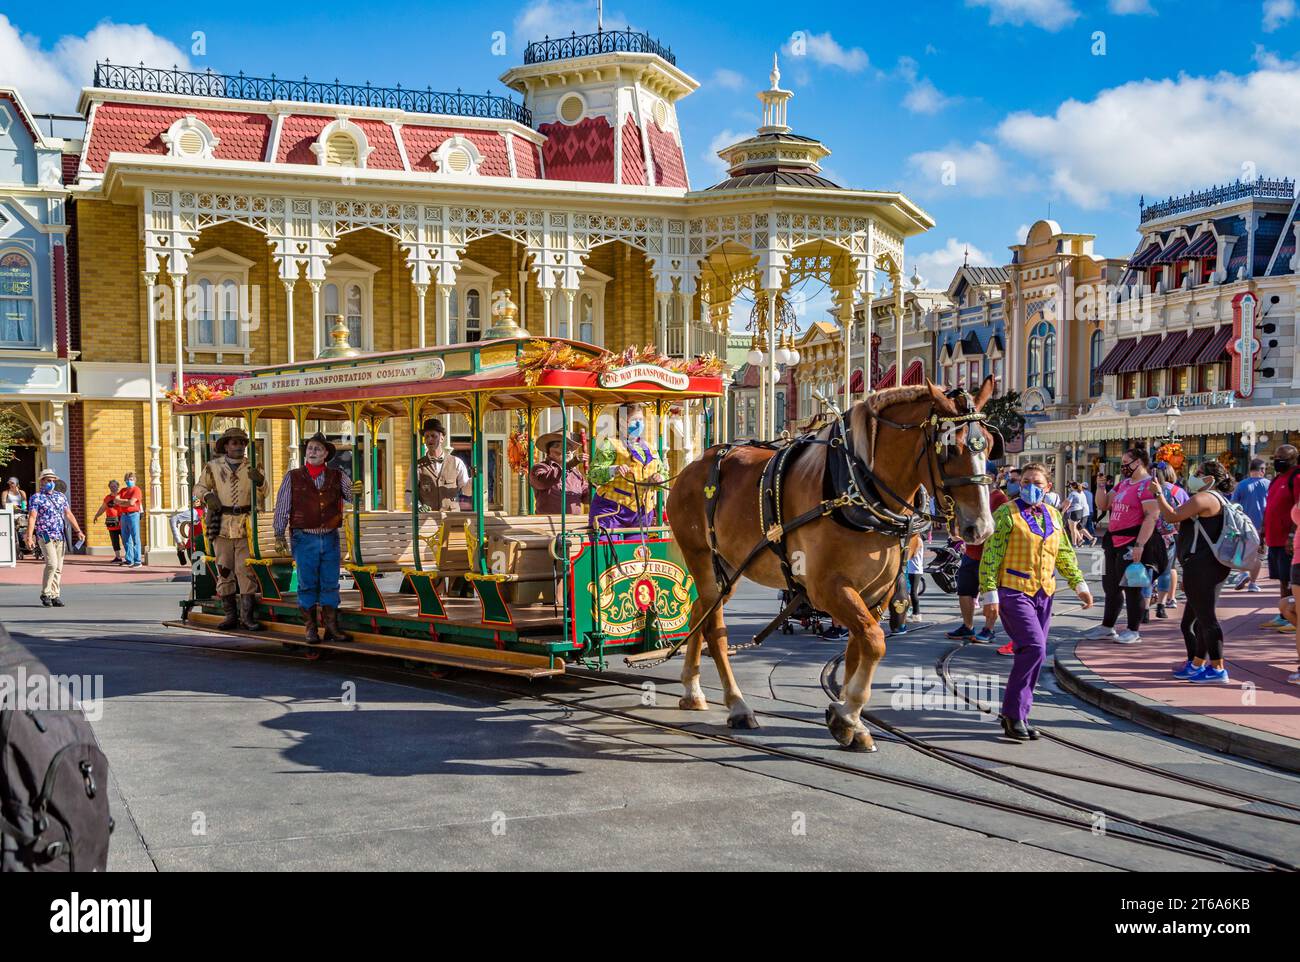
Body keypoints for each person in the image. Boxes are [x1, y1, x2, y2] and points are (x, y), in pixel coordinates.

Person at [979, 462, 1092, 740]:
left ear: (1048, 487)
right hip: (1014, 590)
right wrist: (989, 594)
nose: (1030, 486)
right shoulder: (1006, 513)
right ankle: (1013, 713)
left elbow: (1063, 552)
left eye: (1037, 483)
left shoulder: (1054, 514)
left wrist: (1079, 584)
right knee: (1034, 648)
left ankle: (1019, 715)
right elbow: (991, 555)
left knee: (1033, 655)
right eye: (1026, 481)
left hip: (1044, 592)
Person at [1153, 461, 1236, 683]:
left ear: (1209, 479)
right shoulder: (1216, 498)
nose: (1193, 477)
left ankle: (1218, 669)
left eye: (1198, 474)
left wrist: (1159, 494)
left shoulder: (1204, 498)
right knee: (1193, 621)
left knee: (1206, 620)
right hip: (1206, 566)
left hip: (1203, 568)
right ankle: (1198, 663)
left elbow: (1171, 516)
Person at [273, 433, 354, 645]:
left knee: (330, 583)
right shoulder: (292, 476)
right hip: (304, 536)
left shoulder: (338, 476)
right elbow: (283, 506)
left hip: (329, 536)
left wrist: (358, 491)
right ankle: (310, 628)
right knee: (307, 583)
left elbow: (353, 496)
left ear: (326, 453)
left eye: (318, 449)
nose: (313, 452)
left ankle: (331, 626)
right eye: (310, 448)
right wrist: (279, 534)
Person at [1089, 448, 1165, 645]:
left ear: (1138, 462)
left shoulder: (1148, 485)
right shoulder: (1123, 484)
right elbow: (1104, 504)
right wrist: (1100, 485)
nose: (1123, 466)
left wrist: (1140, 545)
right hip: (1113, 541)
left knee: (1132, 586)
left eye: (1126, 461)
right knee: (1111, 585)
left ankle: (1133, 630)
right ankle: (1108, 626)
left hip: (1132, 542)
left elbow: (1152, 516)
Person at [193, 426, 266, 631]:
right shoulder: (213, 466)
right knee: (224, 570)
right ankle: (230, 615)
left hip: (246, 525)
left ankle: (247, 616)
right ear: (226, 445)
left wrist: (260, 482)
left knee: (246, 570)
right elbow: (198, 487)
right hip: (222, 524)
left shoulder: (253, 465)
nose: (240, 447)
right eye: (235, 443)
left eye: (242, 443)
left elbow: (265, 492)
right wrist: (207, 496)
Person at [588, 403, 664, 534]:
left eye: (641, 420)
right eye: (635, 420)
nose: (639, 424)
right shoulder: (610, 444)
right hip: (612, 511)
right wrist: (614, 470)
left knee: (636, 553)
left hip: (642, 514)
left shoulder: (651, 448)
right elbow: (593, 475)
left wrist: (659, 478)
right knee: (608, 553)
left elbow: (664, 473)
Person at [948, 487, 1010, 642]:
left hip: (990, 555)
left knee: (989, 592)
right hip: (970, 553)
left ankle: (988, 629)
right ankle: (967, 627)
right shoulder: (969, 496)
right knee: (964, 591)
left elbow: (1000, 526)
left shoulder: (1000, 499)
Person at [24, 468, 85, 608]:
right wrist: (29, 536)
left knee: (59, 567)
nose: (51, 483)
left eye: (53, 480)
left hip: (60, 534)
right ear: (42, 481)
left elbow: (68, 514)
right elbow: (32, 517)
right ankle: (45, 593)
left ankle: (55, 594)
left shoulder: (60, 496)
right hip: (45, 534)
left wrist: (78, 530)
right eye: (48, 480)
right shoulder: (36, 497)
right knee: (51, 563)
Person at [1151, 463, 1188, 620]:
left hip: (1150, 534)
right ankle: (1163, 603)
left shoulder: (1147, 489)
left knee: (1148, 570)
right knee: (1168, 569)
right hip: (1170, 535)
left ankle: (1145, 607)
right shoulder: (1177, 491)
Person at [1229, 458, 1268, 592]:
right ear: (1262, 470)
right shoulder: (1269, 484)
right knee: (1259, 555)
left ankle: (1242, 573)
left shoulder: (1241, 485)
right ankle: (1253, 583)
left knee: (1240, 551)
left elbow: (1233, 505)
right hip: (1263, 526)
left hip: (1244, 524)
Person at [528, 430, 589, 515]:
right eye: (565, 447)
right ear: (551, 450)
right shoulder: (540, 468)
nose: (569, 451)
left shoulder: (575, 473)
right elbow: (544, 481)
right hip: (548, 523)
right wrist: (569, 465)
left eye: (570, 449)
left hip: (574, 523)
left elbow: (586, 497)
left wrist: (600, 485)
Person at [416, 418, 471, 511]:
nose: (430, 439)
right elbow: (409, 493)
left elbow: (466, 491)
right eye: (427, 436)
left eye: (433, 436)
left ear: (442, 438)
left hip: (451, 519)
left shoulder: (457, 462)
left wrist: (474, 480)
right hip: (427, 521)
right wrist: (419, 507)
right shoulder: (417, 466)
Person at [91, 479, 124, 564]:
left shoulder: (122, 496)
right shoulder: (107, 498)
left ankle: (129, 557)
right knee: (114, 540)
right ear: (109, 487)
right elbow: (103, 508)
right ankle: (118, 557)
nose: (113, 487)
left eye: (115, 486)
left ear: (118, 486)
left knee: (125, 540)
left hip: (122, 522)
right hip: (112, 522)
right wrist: (96, 515)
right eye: (111, 486)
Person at [116, 470, 144, 567]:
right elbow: (116, 500)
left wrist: (122, 502)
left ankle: (137, 561)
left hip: (133, 515)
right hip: (124, 515)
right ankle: (129, 559)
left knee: (135, 538)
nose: (129, 481)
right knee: (125, 538)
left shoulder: (136, 490)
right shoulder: (123, 490)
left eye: (131, 479)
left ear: (135, 480)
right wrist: (126, 501)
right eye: (127, 479)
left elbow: (132, 503)